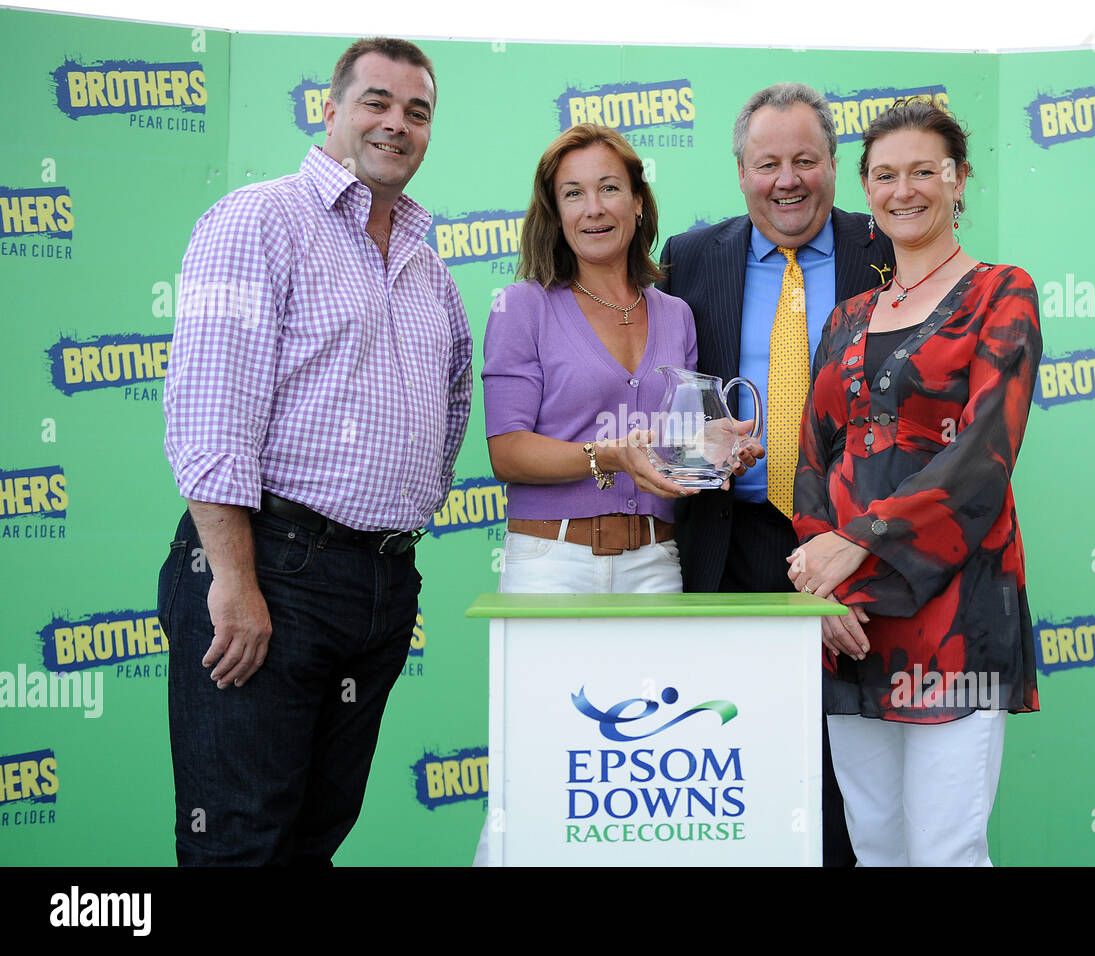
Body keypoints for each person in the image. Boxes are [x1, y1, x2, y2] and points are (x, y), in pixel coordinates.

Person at [159, 37, 473, 865]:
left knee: (312, 841)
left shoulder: (427, 266)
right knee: (241, 843)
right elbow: (210, 413)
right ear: (328, 110)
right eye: (375, 101)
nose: (396, 124)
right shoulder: (259, 219)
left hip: (377, 583)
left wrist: (405, 518)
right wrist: (232, 579)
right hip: (269, 569)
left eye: (417, 111)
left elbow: (450, 400)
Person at [788, 96, 1042, 866]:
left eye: (924, 172)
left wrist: (853, 548)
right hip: (851, 626)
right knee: (877, 847)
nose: (905, 191)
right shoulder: (846, 318)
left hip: (957, 617)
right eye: (885, 175)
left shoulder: (1004, 291)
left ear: (958, 179)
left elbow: (983, 458)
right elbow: (811, 463)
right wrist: (817, 589)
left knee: (946, 849)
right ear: (865, 189)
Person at [657, 82, 894, 866]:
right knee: (728, 771)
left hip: (852, 550)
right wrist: (698, 447)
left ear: (835, 165)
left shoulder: (886, 247)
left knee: (845, 785)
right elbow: (663, 395)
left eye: (805, 160)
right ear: (740, 172)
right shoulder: (691, 258)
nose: (786, 180)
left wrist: (845, 551)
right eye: (768, 163)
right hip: (730, 545)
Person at [483, 123, 746, 594]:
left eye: (609, 188)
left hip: (656, 562)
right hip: (550, 564)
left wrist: (720, 451)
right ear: (556, 212)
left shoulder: (677, 315)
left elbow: (675, 447)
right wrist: (608, 456)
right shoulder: (521, 306)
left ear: (638, 201)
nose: (594, 209)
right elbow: (507, 453)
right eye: (573, 194)